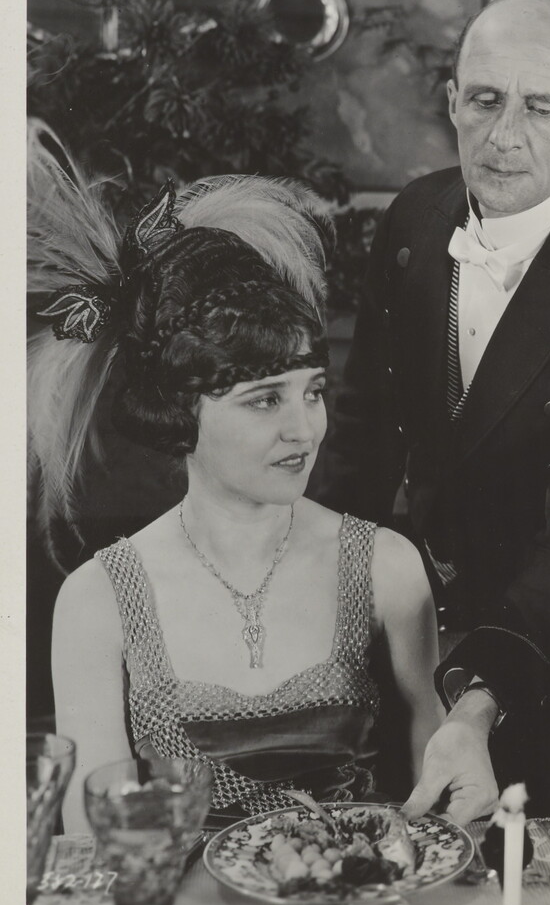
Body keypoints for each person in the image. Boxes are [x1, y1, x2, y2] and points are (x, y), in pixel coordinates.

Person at [310, 0, 550, 821]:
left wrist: (478, 703)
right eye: (484, 100)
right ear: (453, 102)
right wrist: (305, 605)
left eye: (542, 108)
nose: (503, 134)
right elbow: (361, 450)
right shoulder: (414, 220)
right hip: (419, 636)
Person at [29, 124, 443, 834]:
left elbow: (441, 783)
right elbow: (97, 842)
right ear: (181, 410)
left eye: (311, 391)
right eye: (263, 400)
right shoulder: (97, 599)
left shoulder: (388, 567)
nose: (303, 429)